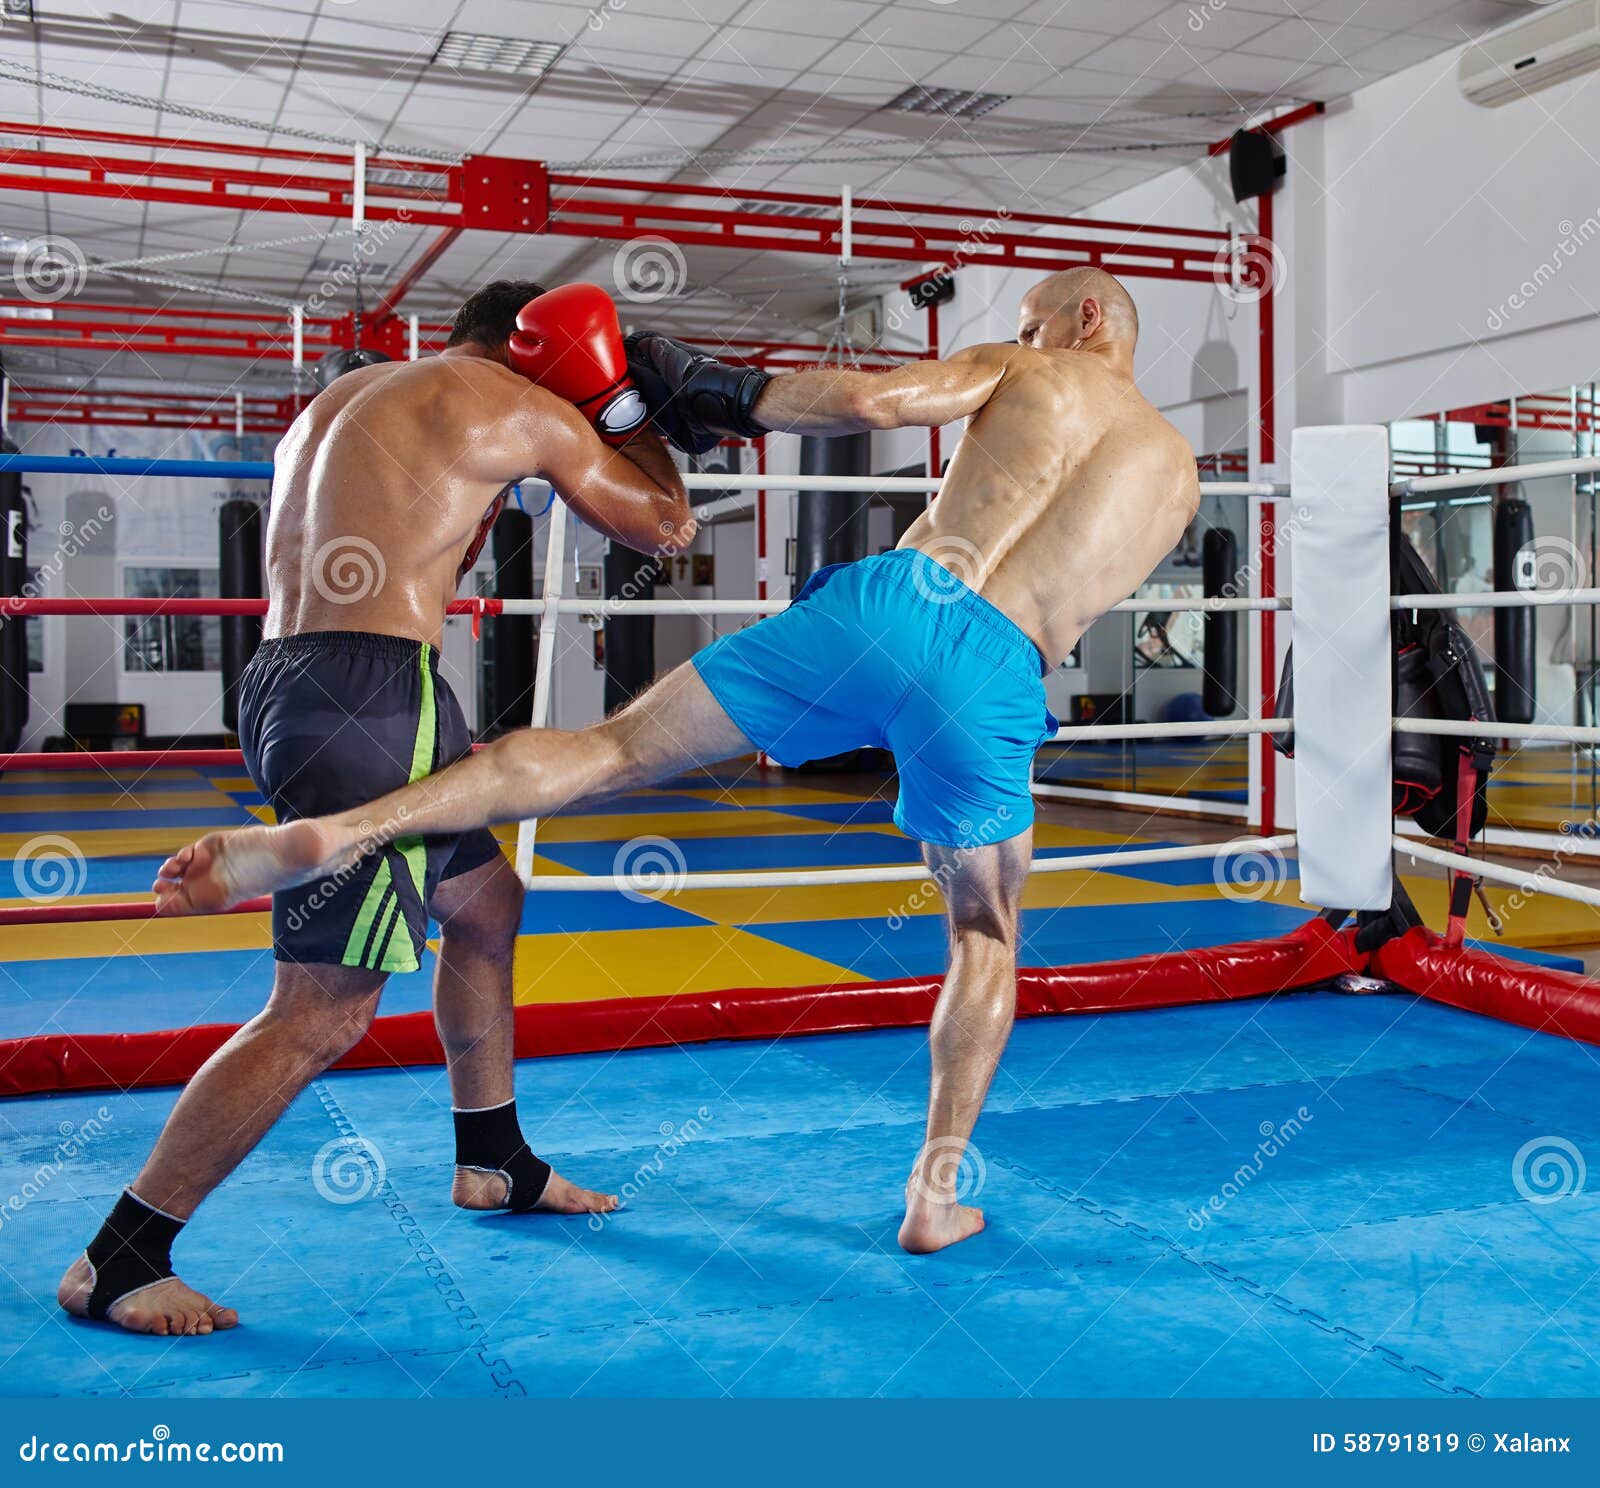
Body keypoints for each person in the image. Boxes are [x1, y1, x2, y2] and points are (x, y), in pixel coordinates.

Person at [149, 267, 1200, 1257]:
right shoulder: (1180, 480)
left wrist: (716, 386)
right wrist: (627, 418)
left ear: (1085, 320)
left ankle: (345, 836)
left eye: (1029, 323)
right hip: (1000, 666)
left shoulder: (1027, 371)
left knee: (604, 755)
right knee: (983, 932)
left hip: (895, 602)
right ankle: (931, 1195)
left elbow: (878, 406)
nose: (1022, 338)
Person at [59, 280, 697, 1335]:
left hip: (289, 680)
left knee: (487, 906)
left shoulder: (342, 399)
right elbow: (666, 526)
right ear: (539, 357)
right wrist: (622, 404)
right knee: (324, 1010)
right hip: (370, 696)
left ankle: (492, 1159)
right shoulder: (519, 402)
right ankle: (122, 1258)